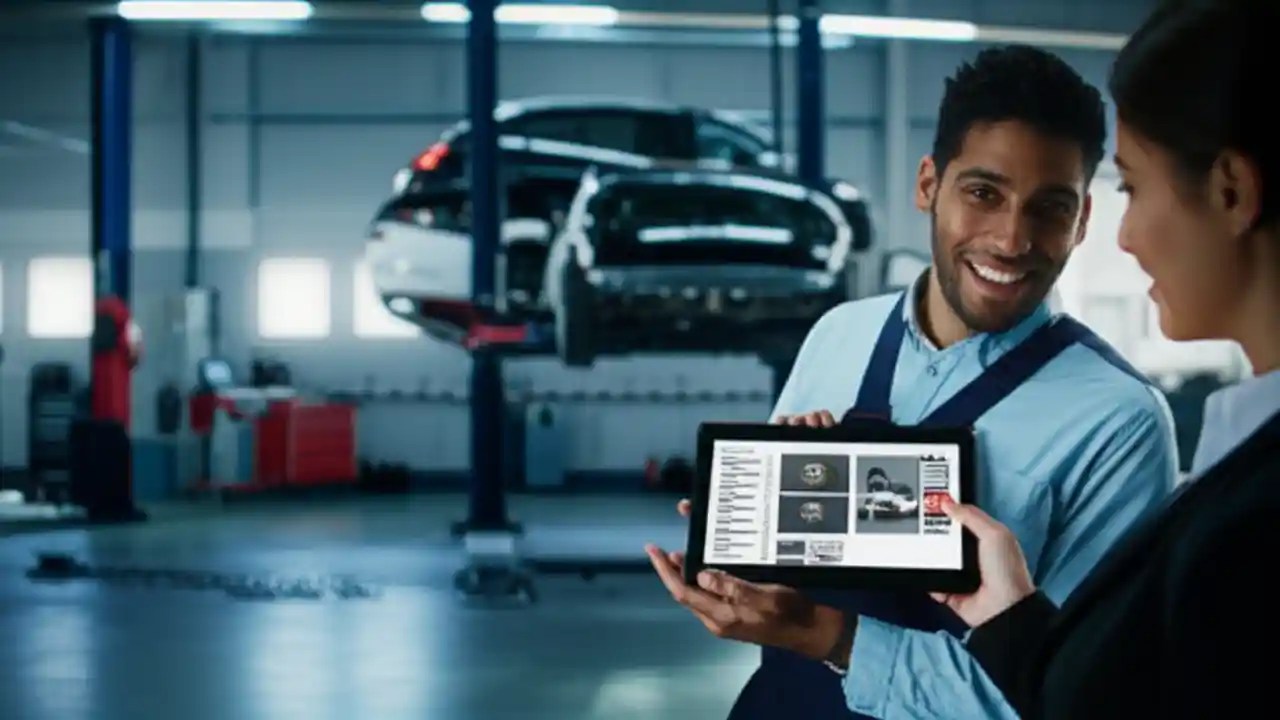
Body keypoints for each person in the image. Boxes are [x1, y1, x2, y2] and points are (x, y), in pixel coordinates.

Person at [646, 43, 1181, 720]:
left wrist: (830, 638)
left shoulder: (1120, 421)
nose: (1012, 239)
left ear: (1081, 221)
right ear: (929, 183)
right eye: (983, 193)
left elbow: (1074, 689)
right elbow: (782, 575)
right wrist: (751, 536)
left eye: (1050, 206)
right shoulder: (839, 335)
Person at [936, 0, 1280, 716]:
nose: (1123, 238)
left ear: (1231, 192)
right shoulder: (1242, 455)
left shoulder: (1256, 515)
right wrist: (1011, 620)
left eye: (1132, 185)